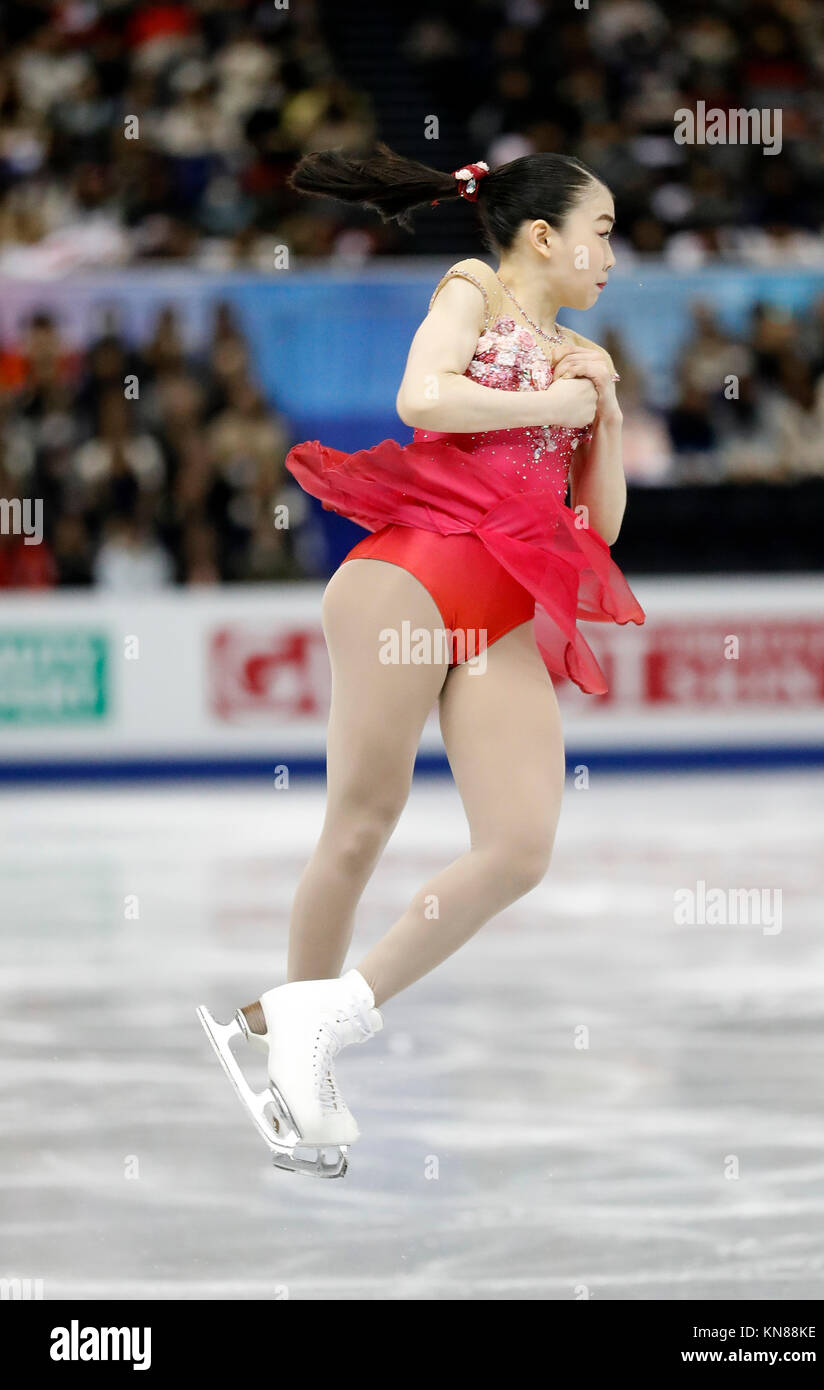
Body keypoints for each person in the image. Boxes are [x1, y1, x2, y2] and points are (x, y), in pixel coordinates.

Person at [197, 144, 645, 1176]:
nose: (612, 254)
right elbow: (420, 399)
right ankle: (298, 1071)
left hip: (496, 611)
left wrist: (604, 410)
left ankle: (325, 1018)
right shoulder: (474, 287)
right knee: (361, 822)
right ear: (545, 235)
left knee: (520, 845)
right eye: (604, 230)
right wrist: (550, 405)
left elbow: (601, 529)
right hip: (407, 578)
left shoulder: (575, 347)